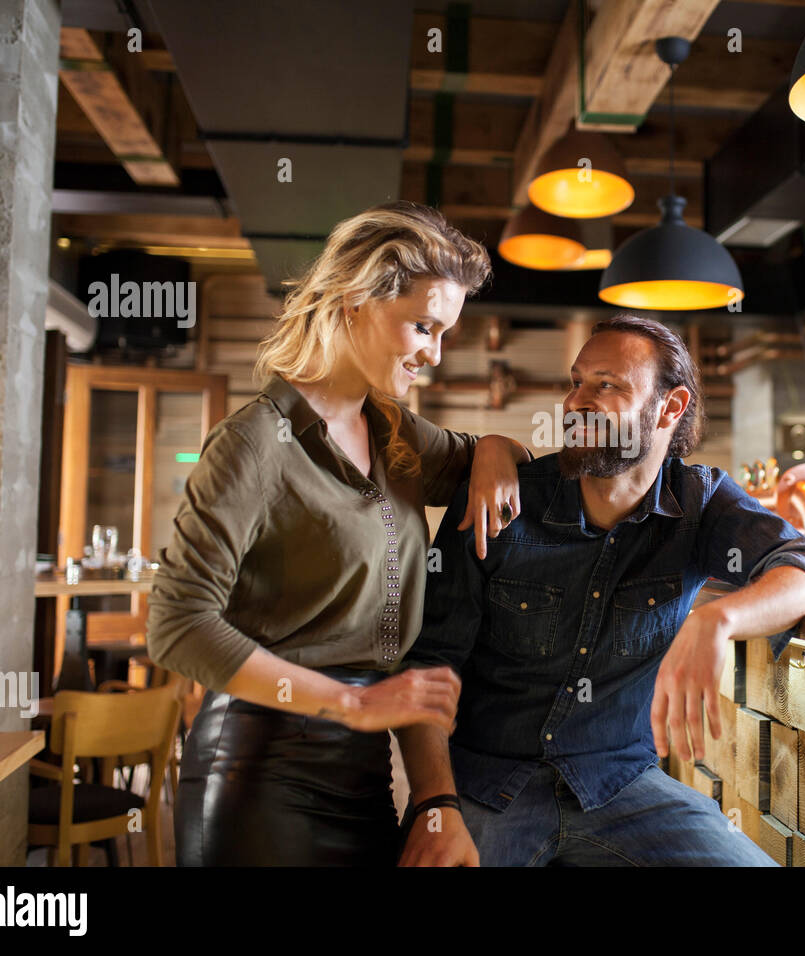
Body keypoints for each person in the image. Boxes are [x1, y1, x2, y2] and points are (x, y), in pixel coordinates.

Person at [145, 201, 530, 866]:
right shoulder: (255, 442)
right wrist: (351, 703)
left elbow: (506, 463)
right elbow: (176, 625)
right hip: (259, 767)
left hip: (363, 771)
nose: (433, 354)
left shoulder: (397, 436)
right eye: (422, 326)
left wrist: (494, 446)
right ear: (355, 300)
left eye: (444, 335)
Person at [397, 314, 805, 866]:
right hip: (485, 787)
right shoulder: (502, 503)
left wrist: (718, 620)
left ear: (671, 406)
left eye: (607, 385)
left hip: (623, 787)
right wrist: (433, 806)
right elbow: (426, 667)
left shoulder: (700, 501)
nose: (577, 402)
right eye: (576, 382)